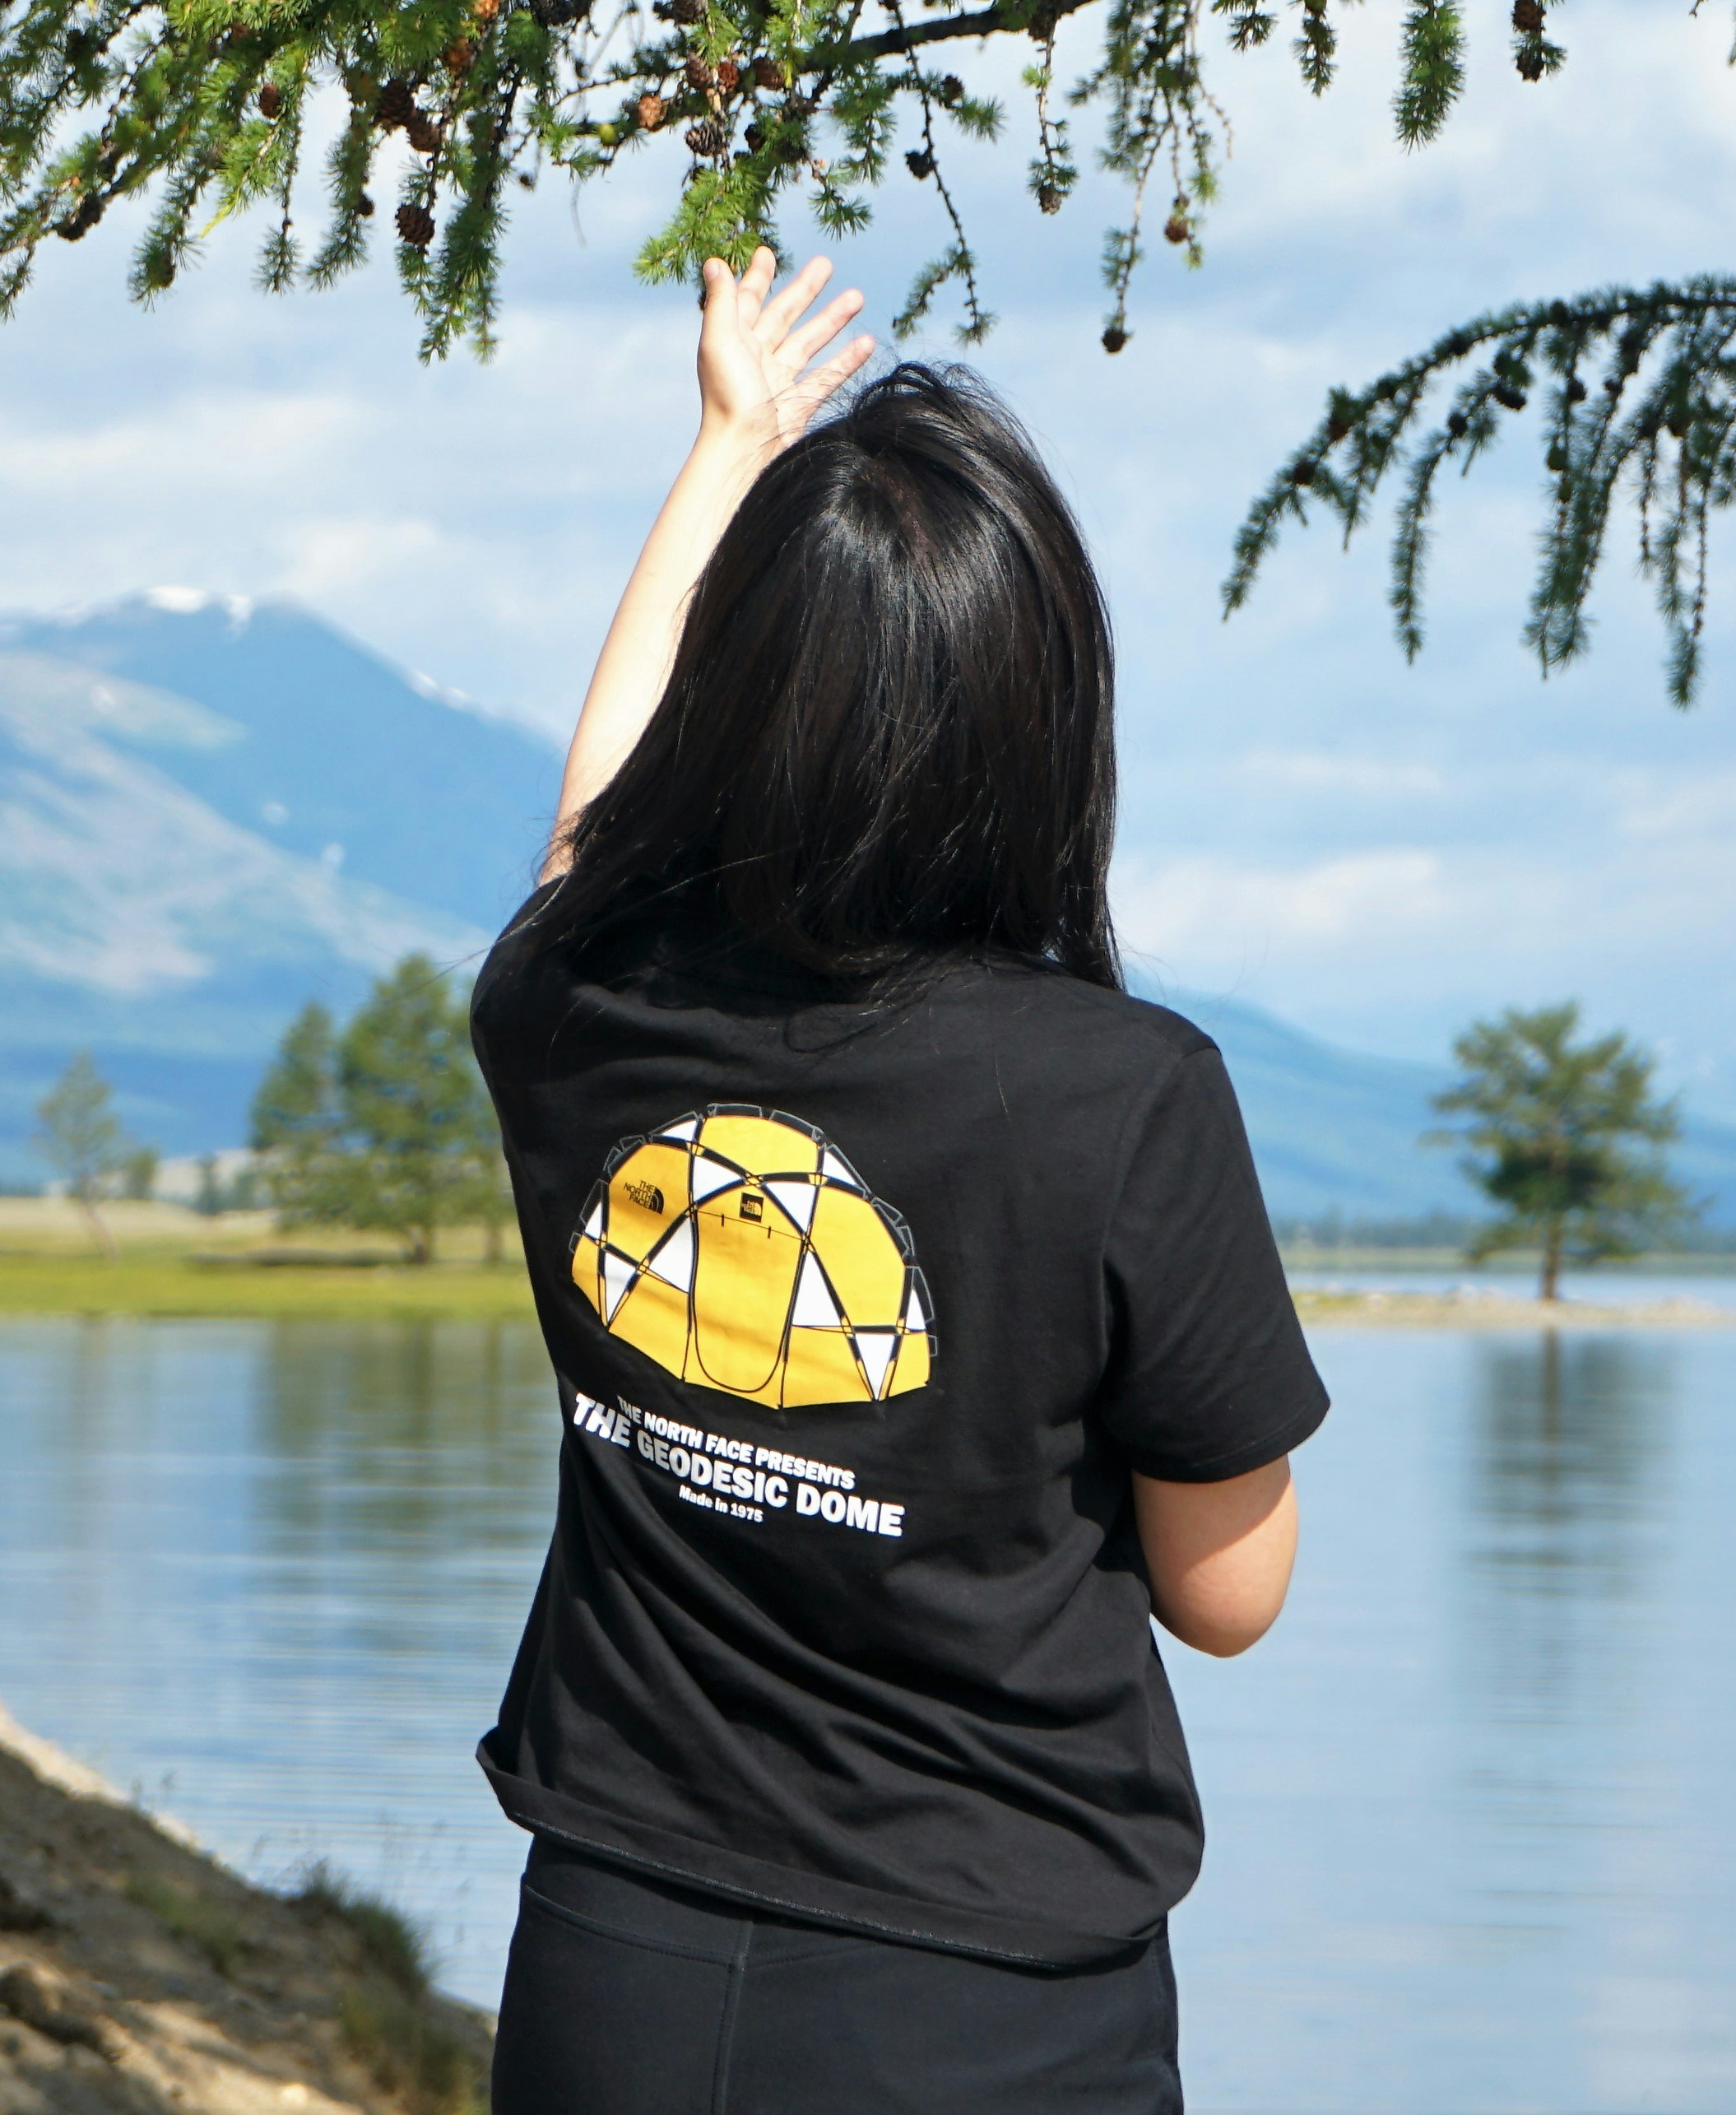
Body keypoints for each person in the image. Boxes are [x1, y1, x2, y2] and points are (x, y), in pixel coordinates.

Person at [470, 247, 1327, 2115]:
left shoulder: (577, 1006)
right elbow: (1230, 1587)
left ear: (744, 695)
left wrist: (725, 451)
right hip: (988, 2002)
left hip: (614, 1956)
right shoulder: (1130, 1095)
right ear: (1040, 724)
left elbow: (581, 836)